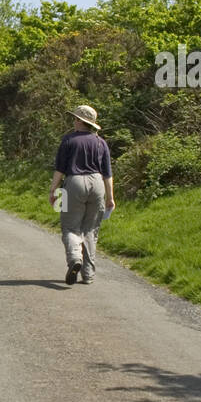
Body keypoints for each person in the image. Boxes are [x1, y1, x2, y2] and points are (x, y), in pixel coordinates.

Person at [48, 105, 115, 286]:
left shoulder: (68, 140)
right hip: (97, 184)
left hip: (74, 183)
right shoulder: (101, 142)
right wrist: (110, 198)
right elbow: (108, 174)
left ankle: (75, 259)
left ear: (80, 121)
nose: (73, 121)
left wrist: (53, 190)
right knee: (91, 230)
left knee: (69, 228)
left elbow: (60, 169)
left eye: (75, 118)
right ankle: (88, 274)